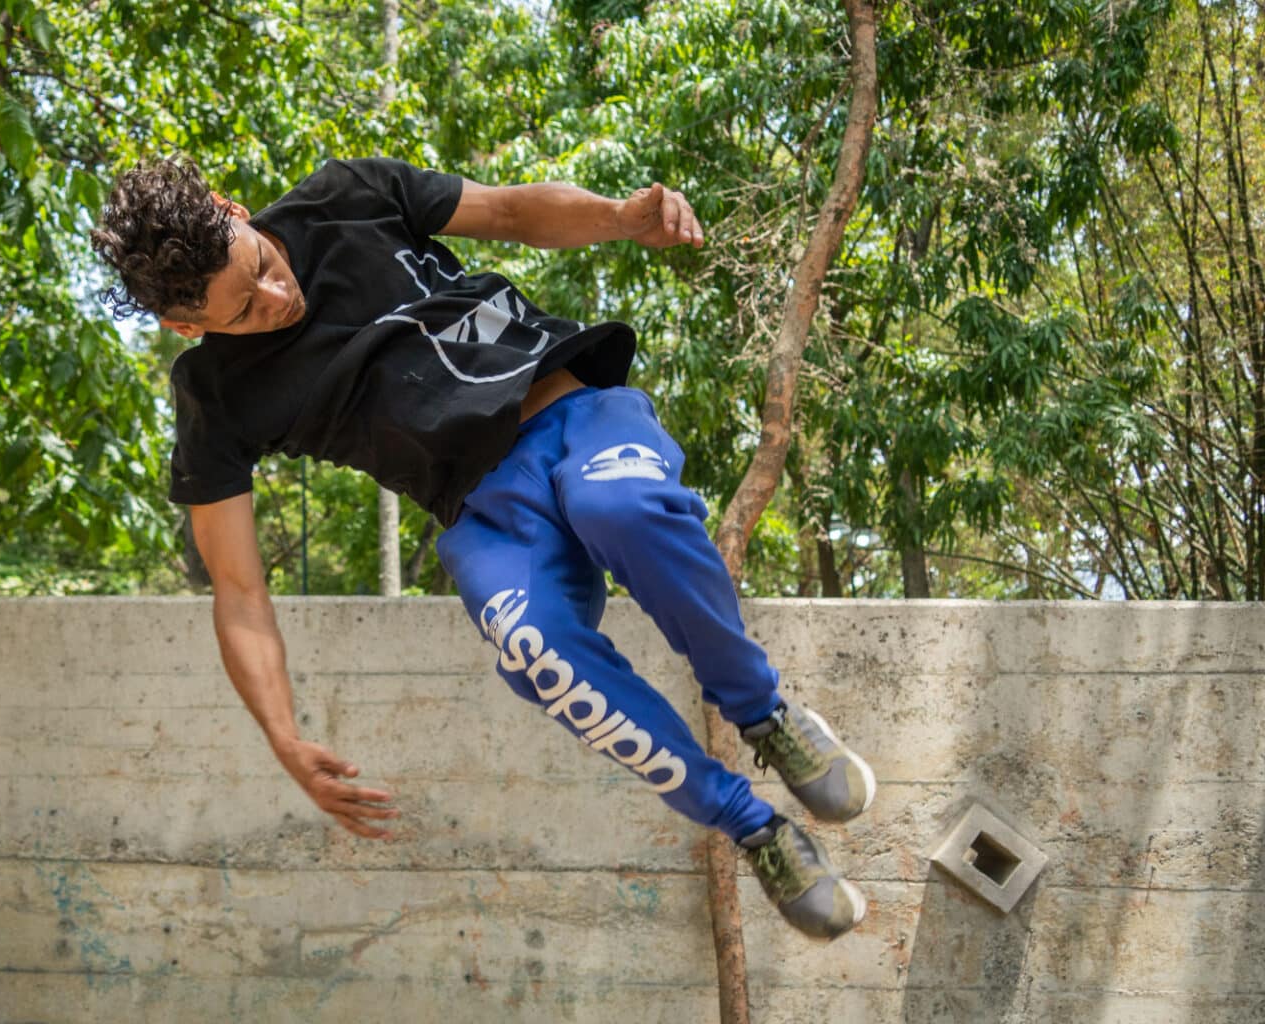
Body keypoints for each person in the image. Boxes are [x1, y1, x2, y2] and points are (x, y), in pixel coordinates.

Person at [91, 156, 875, 940]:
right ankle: (754, 828)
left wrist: (616, 217)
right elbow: (238, 589)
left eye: (260, 266)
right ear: (187, 326)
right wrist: (283, 737)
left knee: (622, 506)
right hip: (487, 514)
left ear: (234, 211)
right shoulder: (215, 400)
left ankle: (764, 716)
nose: (275, 297)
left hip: (574, 419)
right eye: (244, 311)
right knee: (533, 648)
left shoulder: (345, 197)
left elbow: (506, 213)